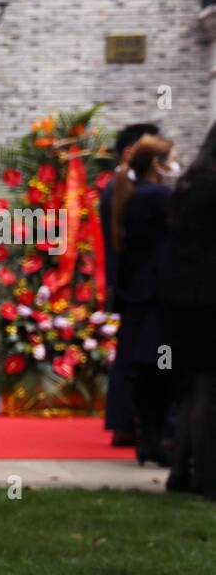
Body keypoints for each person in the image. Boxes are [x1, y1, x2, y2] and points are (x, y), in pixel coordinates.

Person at [112, 134, 178, 467]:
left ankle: (147, 438)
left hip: (140, 293)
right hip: (157, 294)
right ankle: (155, 438)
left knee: (147, 370)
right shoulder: (158, 196)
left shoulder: (135, 196)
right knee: (159, 371)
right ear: (157, 163)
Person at [162, 121, 216, 499]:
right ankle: (207, 478)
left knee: (193, 388)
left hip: (184, 301)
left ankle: (181, 471)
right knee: (210, 390)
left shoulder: (186, 186)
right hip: (210, 298)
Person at [100, 122, 160, 446]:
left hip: (131, 284)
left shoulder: (121, 188)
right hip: (139, 285)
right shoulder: (126, 191)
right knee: (135, 356)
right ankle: (129, 422)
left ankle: (126, 422)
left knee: (131, 353)